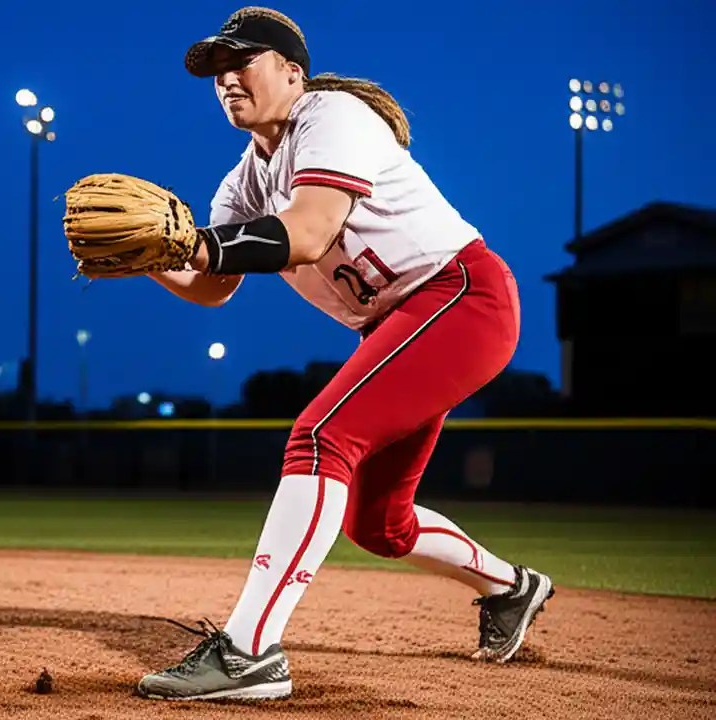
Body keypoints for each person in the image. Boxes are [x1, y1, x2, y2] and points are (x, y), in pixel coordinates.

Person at [133, 6, 554, 702]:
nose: (226, 79)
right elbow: (212, 288)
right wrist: (152, 256)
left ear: (293, 73)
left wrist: (199, 243)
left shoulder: (331, 115)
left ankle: (248, 652)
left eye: (242, 62)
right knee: (378, 525)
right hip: (403, 324)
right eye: (216, 71)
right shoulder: (245, 179)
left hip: (460, 298)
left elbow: (308, 231)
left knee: (322, 437)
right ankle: (511, 589)